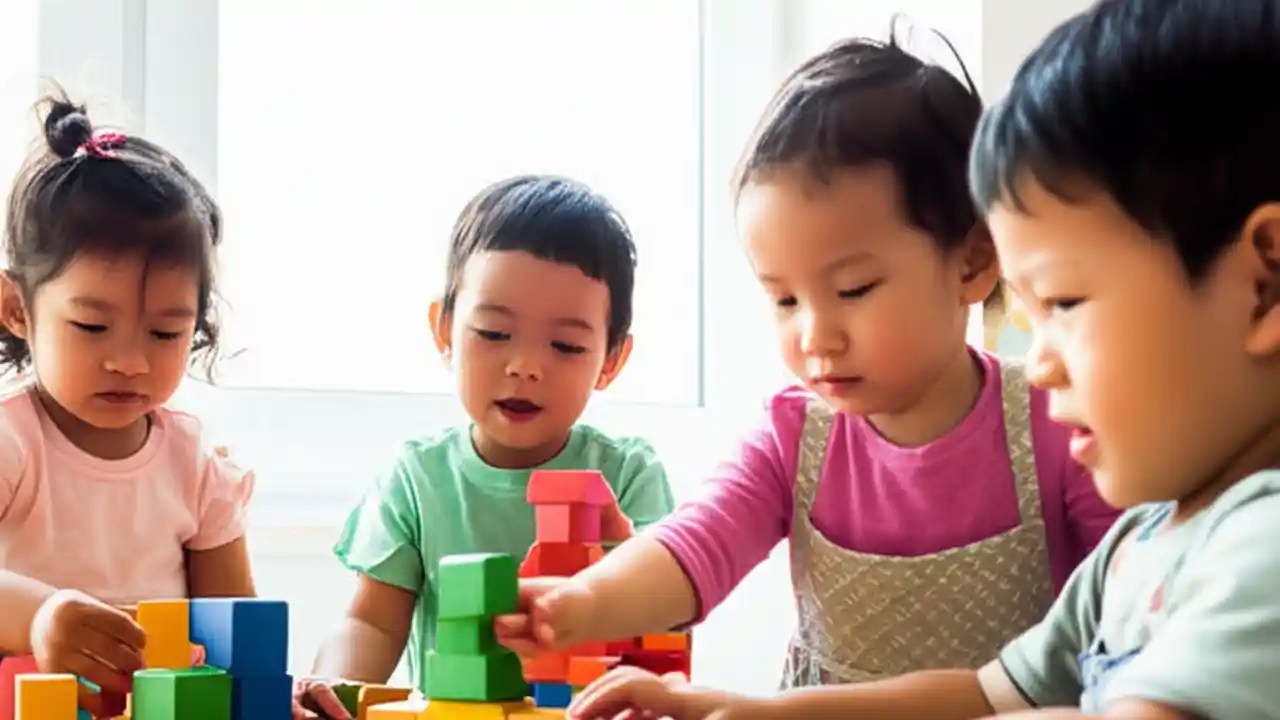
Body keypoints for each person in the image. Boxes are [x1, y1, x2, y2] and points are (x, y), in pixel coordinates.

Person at [566, 0, 1280, 717]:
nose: (1043, 362)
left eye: (1064, 303)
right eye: (782, 299)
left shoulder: (1255, 547)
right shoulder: (1142, 546)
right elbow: (986, 694)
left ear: (1264, 286)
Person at [497, 31, 1118, 691]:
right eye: (784, 298)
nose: (817, 334)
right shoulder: (796, 438)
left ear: (970, 261)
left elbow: (1140, 600)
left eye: (853, 290)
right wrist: (585, 603)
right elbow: (694, 547)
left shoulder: (1056, 423)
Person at [294, 175, 675, 719]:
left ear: (611, 360)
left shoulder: (629, 475)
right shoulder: (417, 477)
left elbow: (662, 623)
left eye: (566, 345)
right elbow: (373, 622)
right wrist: (332, 686)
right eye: (494, 334)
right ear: (445, 330)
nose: (525, 366)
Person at [0, 93, 255, 716]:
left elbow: (239, 633)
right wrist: (41, 615)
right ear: (16, 309)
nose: (130, 362)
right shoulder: (13, 443)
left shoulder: (195, 465)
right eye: (92, 326)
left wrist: (281, 689)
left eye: (165, 333)